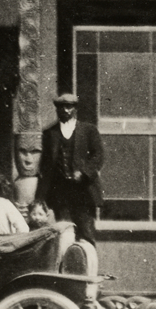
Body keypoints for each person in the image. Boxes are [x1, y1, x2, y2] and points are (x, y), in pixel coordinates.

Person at [37, 92, 104, 243]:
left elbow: (98, 156)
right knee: (64, 234)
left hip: (83, 192)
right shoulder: (49, 133)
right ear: (57, 109)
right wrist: (40, 197)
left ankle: (88, 257)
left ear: (75, 109)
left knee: (86, 233)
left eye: (69, 107)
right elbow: (45, 167)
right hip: (60, 194)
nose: (65, 110)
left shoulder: (88, 130)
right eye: (61, 107)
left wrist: (84, 172)